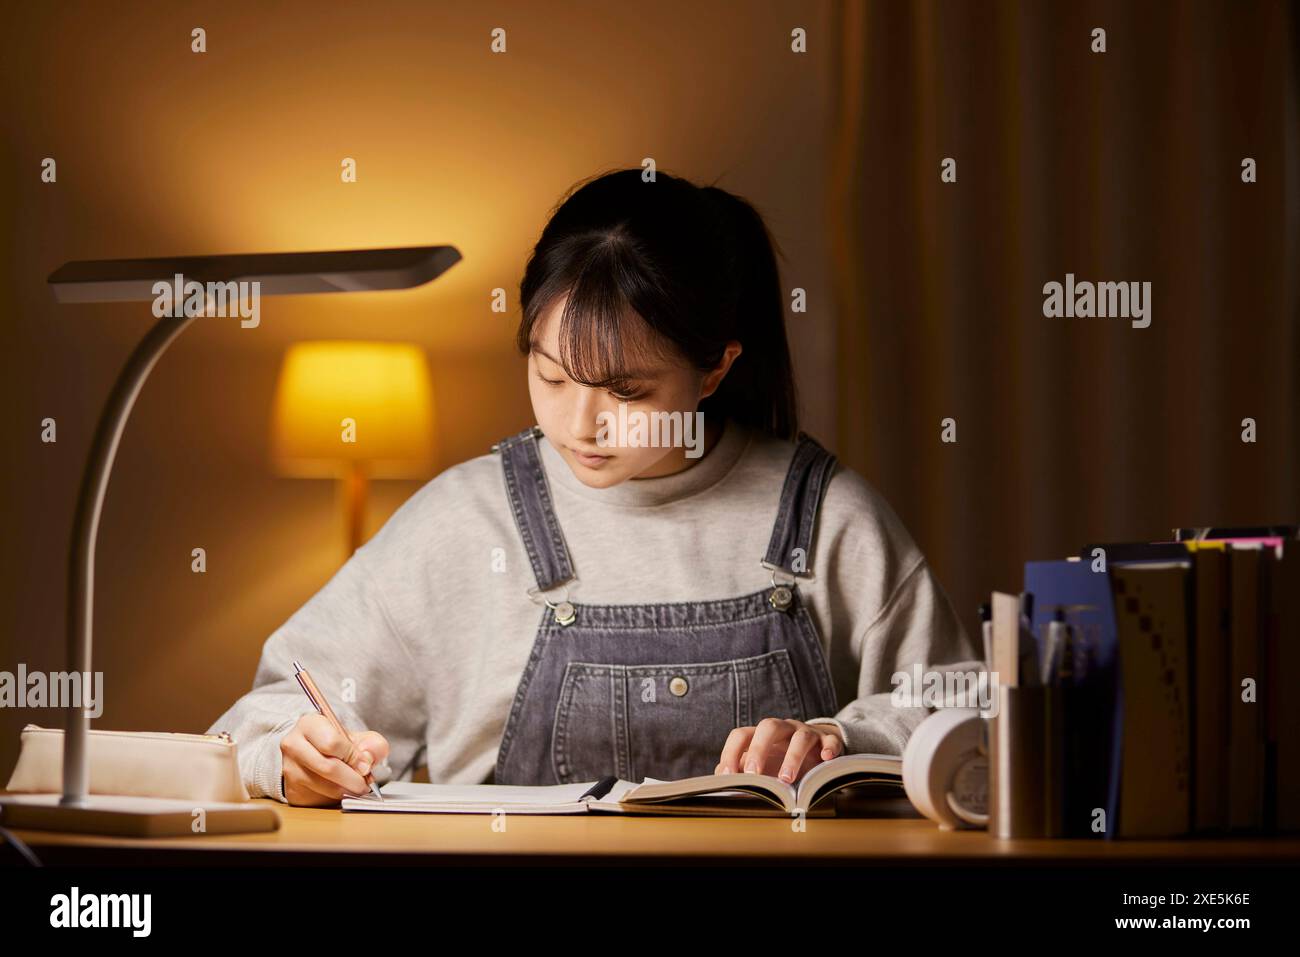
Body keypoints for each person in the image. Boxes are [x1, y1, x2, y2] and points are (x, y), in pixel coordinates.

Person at [207, 168, 979, 806]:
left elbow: (971, 713)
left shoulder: (827, 519)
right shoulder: (464, 523)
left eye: (627, 392)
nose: (580, 424)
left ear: (715, 368)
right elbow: (261, 715)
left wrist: (847, 740)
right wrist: (288, 754)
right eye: (550, 375)